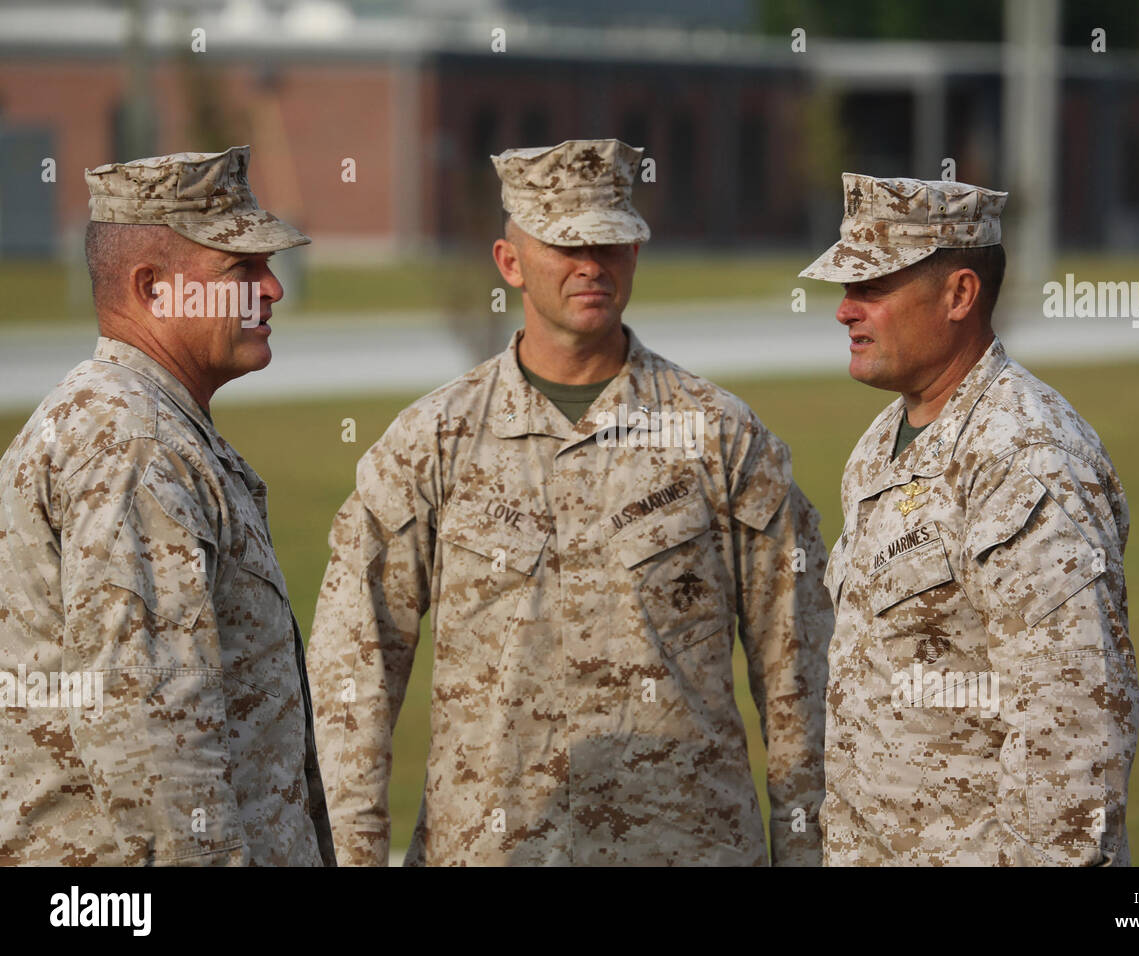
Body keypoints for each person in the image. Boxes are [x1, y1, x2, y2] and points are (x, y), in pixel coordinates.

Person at [306, 138, 833, 866]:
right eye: (565, 244)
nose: (592, 264)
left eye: (611, 243)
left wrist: (808, 853)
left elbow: (802, 678)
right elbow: (351, 680)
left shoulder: (721, 437)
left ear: (637, 255)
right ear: (509, 262)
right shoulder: (432, 441)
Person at [0, 146, 334, 865]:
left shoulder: (145, 426)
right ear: (153, 289)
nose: (272, 288)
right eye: (240, 271)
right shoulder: (132, 444)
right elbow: (153, 748)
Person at [803, 173, 1138, 865]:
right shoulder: (881, 443)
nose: (844, 310)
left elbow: (1071, 729)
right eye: (845, 288)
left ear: (960, 294)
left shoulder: (1025, 456)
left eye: (872, 288)